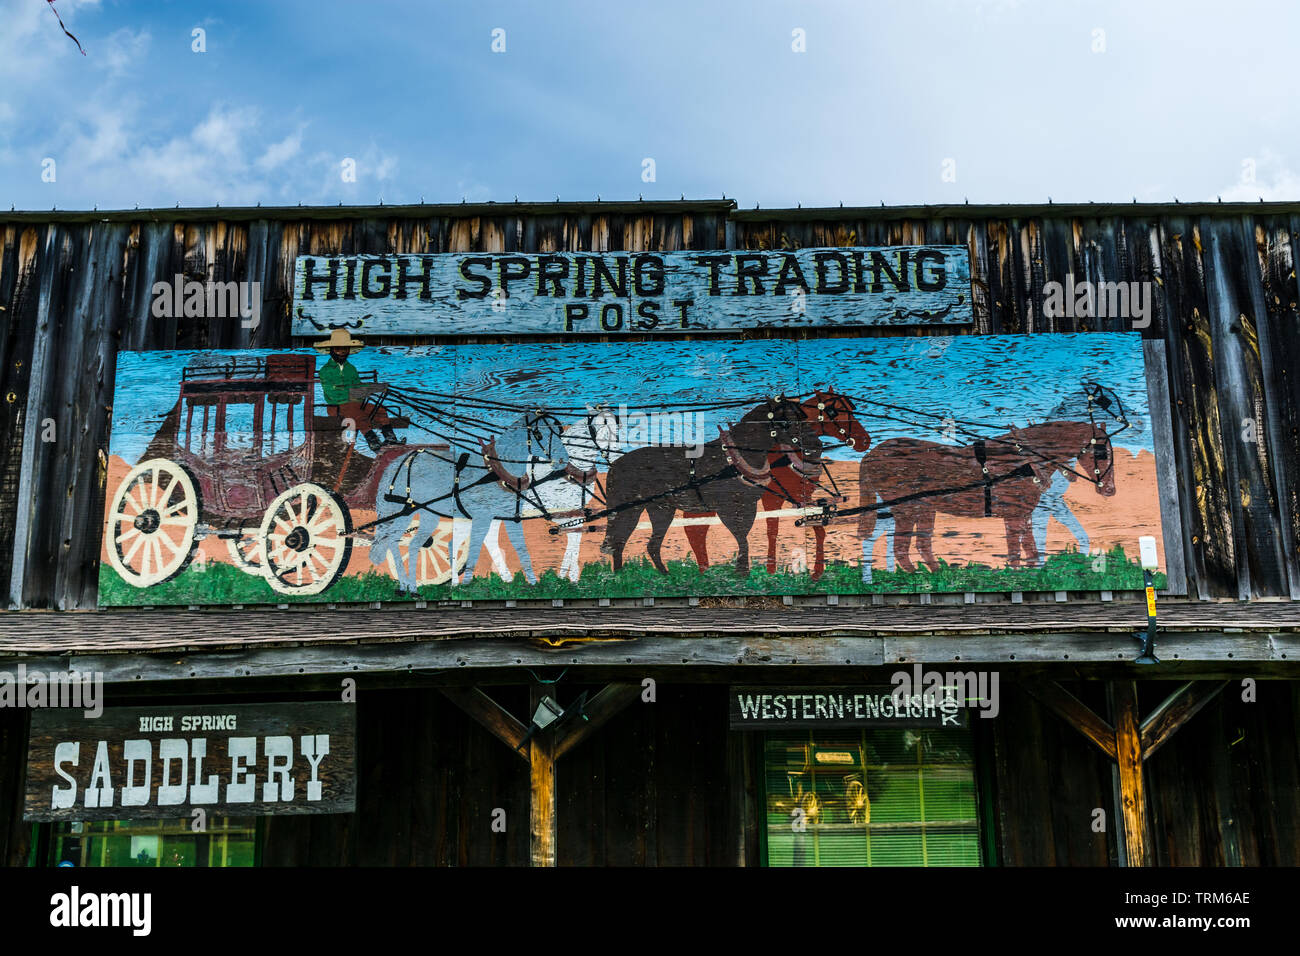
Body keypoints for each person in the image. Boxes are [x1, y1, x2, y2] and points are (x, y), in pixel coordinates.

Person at [314, 329, 405, 453]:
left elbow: (358, 386)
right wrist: (359, 391)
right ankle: (374, 443)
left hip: (356, 403)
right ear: (331, 350)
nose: (342, 352)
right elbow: (333, 394)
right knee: (357, 413)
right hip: (336, 406)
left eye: (345, 349)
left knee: (380, 410)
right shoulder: (325, 370)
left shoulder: (351, 368)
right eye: (338, 349)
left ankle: (391, 439)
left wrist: (377, 388)